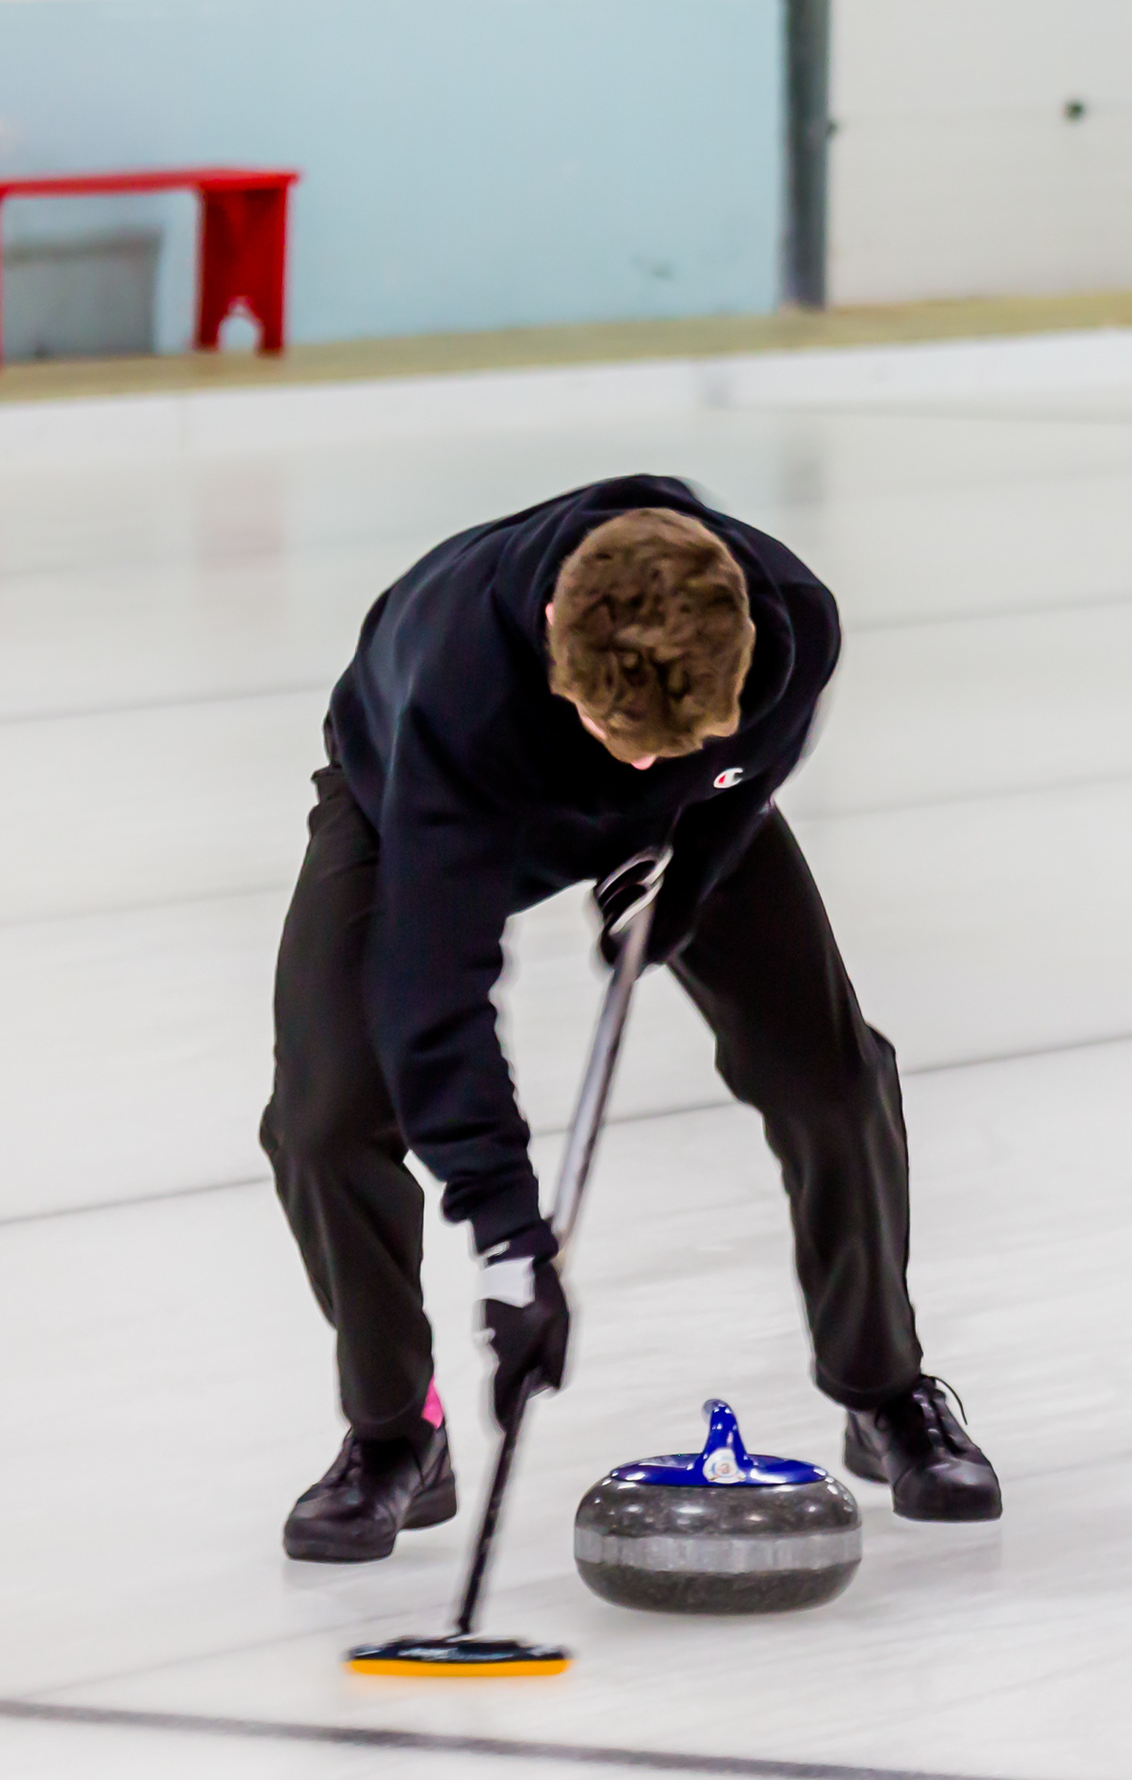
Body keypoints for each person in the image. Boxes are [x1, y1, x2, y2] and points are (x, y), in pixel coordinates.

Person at [262, 478, 1001, 1561]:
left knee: (832, 1079)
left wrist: (684, 878)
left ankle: (882, 1388)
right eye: (621, 731)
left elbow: (743, 775)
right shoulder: (459, 696)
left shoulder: (795, 624)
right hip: (414, 805)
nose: (645, 757)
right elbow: (437, 999)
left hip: (675, 827)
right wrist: (513, 1243)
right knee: (326, 1117)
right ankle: (394, 1433)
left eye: (676, 737)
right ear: (560, 629)